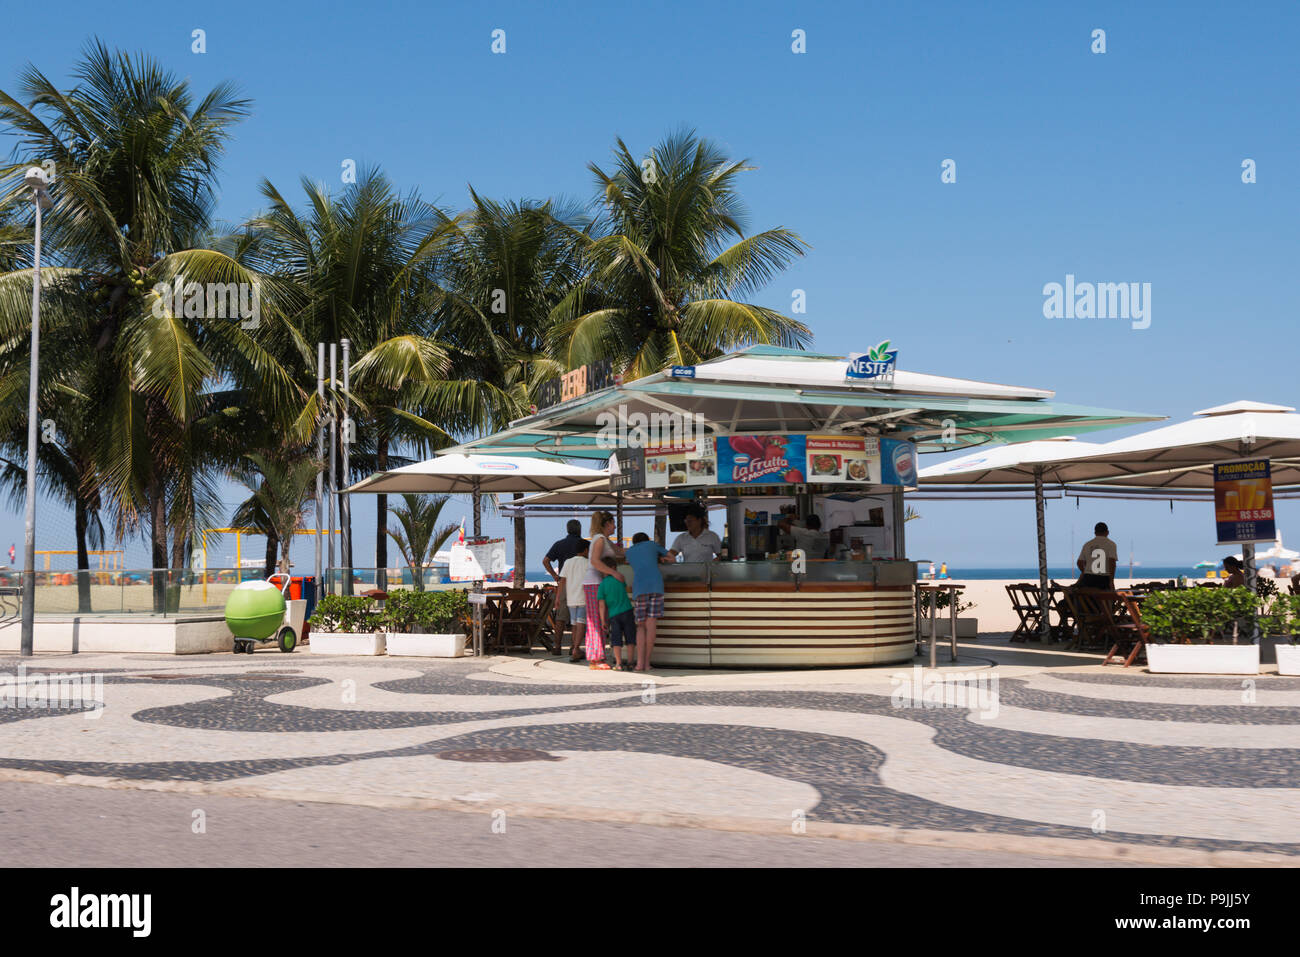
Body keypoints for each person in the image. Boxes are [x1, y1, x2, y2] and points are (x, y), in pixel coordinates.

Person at [583, 510, 624, 669]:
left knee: (602, 620)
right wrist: (614, 572)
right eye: (613, 523)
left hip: (598, 583)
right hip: (594, 583)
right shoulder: (600, 539)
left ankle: (598, 656)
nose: (615, 527)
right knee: (596, 620)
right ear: (607, 524)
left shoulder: (604, 540)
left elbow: (620, 552)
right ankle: (595, 659)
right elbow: (594, 561)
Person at [626, 531, 671, 671]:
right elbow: (672, 558)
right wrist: (661, 559)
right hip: (656, 586)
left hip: (639, 588)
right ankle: (647, 663)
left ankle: (639, 664)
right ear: (646, 539)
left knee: (640, 626)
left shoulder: (630, 551)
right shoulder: (652, 545)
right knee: (651, 625)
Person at [543, 520, 586, 650]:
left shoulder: (559, 544)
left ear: (567, 530)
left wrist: (555, 576)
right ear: (580, 530)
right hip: (581, 585)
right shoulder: (585, 545)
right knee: (578, 618)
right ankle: (575, 647)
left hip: (564, 583)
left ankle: (557, 646)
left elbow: (545, 561)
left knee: (561, 618)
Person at [557, 539, 590, 661]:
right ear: (586, 550)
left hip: (571, 598)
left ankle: (575, 648)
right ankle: (576, 648)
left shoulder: (568, 562)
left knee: (574, 624)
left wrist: (558, 598)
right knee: (581, 623)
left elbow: (562, 581)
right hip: (583, 597)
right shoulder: (588, 563)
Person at [598, 570, 637, 671]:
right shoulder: (620, 579)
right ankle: (630, 663)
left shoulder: (602, 584)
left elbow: (602, 605)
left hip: (614, 615)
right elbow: (624, 585)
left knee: (616, 640)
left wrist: (603, 621)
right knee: (630, 638)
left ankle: (619, 664)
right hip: (627, 611)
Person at [1075, 522, 1117, 589]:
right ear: (1107, 532)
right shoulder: (1111, 544)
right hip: (1103, 579)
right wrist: (1111, 581)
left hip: (1088, 579)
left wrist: (1085, 571)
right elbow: (1112, 562)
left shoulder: (1087, 544)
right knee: (1107, 598)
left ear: (1095, 533)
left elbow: (1079, 562)